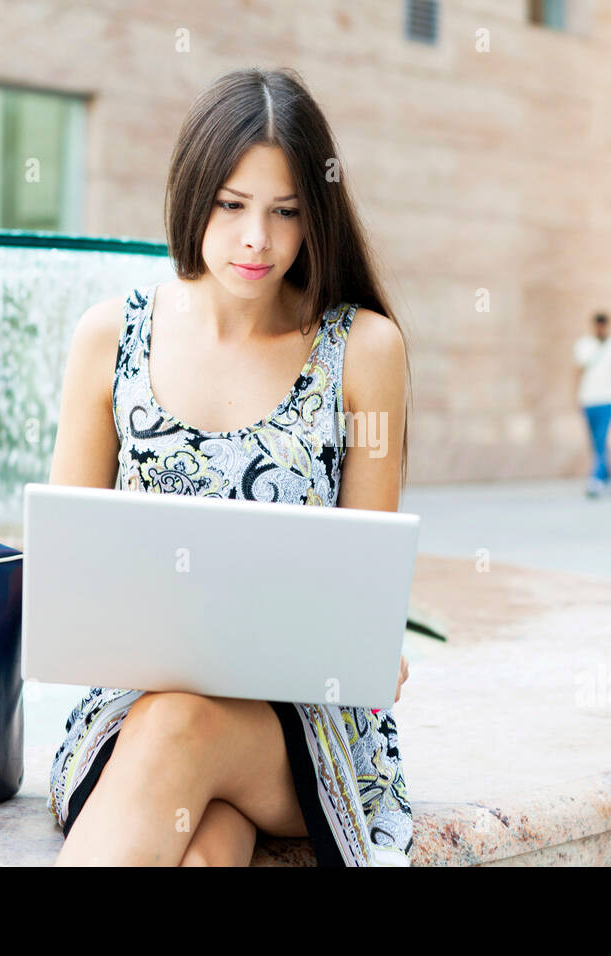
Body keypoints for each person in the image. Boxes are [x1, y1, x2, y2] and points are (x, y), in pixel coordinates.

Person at [44, 68, 413, 867]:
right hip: (131, 718)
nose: (259, 240)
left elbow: (365, 582)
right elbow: (68, 581)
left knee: (186, 724)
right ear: (192, 194)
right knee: (208, 849)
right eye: (233, 206)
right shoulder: (110, 338)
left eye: (286, 213)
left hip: (301, 733)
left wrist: (373, 644)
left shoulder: (363, 351)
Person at [573, 313, 611, 497]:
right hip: (588, 399)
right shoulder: (583, 345)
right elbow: (578, 370)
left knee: (602, 439)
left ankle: (596, 480)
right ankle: (605, 474)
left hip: (608, 398)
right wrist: (575, 395)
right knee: (594, 441)